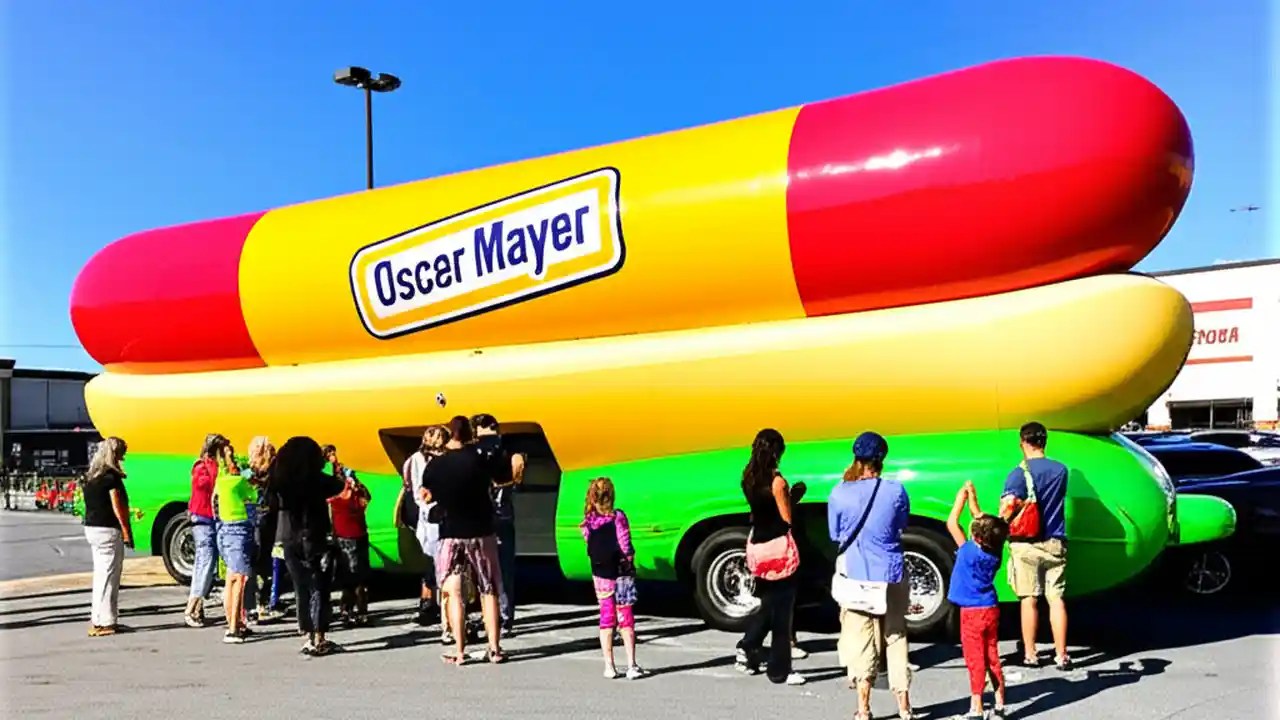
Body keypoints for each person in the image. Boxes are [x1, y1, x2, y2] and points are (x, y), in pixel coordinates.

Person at [829, 431, 915, 720]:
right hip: (890, 572)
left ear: (857, 458)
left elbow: (835, 534)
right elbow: (902, 524)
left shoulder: (840, 491)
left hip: (856, 575)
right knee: (896, 635)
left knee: (862, 640)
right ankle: (904, 706)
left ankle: (864, 708)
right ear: (881, 460)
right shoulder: (896, 490)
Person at [423, 415, 506, 665]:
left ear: (449, 433)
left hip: (451, 533)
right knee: (488, 589)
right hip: (481, 530)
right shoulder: (481, 458)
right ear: (471, 433)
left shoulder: (436, 466)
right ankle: (494, 648)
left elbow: (426, 496)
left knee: (454, 593)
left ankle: (460, 652)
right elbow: (502, 476)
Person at [735, 428, 806, 686]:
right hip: (778, 548)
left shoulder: (748, 477)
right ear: (777, 452)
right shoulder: (778, 482)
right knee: (782, 611)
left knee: (768, 604)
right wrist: (794, 495)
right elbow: (786, 519)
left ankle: (748, 647)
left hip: (757, 545)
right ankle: (780, 669)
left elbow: (761, 510)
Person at [999, 421, 1071, 670]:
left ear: (1022, 442)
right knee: (1056, 599)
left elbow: (1007, 509)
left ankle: (1031, 654)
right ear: (1044, 442)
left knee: (1029, 599)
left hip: (1026, 545)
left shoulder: (1018, 473)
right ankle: (1062, 655)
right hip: (1054, 541)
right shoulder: (1061, 470)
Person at [271, 436, 345, 656]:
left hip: (288, 538)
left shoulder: (281, 482)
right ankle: (320, 635)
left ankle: (306, 633)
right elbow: (339, 485)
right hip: (314, 536)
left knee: (300, 586)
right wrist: (335, 465)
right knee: (320, 588)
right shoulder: (317, 480)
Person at [946, 481, 1010, 719]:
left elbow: (952, 523)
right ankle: (1000, 700)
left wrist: (960, 497)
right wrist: (973, 495)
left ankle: (977, 706)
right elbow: (984, 522)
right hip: (990, 607)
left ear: (976, 537)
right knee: (992, 654)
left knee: (975, 659)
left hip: (971, 612)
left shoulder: (967, 551)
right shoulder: (996, 548)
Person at [580, 477, 646, 680]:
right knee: (625, 618)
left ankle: (609, 666)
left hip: (600, 574)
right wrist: (630, 559)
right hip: (621, 573)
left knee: (606, 619)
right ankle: (632, 665)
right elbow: (625, 545)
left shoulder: (587, 523)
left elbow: (588, 543)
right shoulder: (618, 517)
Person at [473, 414, 526, 638]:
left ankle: (493, 616)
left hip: (482, 515)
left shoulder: (475, 452)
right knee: (503, 569)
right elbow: (518, 475)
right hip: (503, 513)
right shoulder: (510, 449)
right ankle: (503, 618)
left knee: (484, 570)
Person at [396, 426, 449, 629]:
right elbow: (419, 490)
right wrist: (432, 506)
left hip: (430, 511)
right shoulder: (419, 459)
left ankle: (433, 602)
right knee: (432, 558)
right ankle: (428, 603)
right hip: (428, 513)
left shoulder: (422, 458)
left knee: (437, 558)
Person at [82, 437, 133, 636]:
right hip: (108, 529)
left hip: (92, 528)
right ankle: (105, 621)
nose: (124, 456)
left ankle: (100, 618)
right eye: (122, 453)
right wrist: (127, 531)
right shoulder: (111, 478)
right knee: (109, 576)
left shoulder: (90, 477)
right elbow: (117, 506)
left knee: (101, 574)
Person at [213, 440, 256, 643]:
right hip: (237, 528)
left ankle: (233, 621)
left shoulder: (221, 480)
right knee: (239, 578)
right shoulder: (236, 480)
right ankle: (233, 628)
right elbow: (252, 493)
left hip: (225, 527)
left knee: (231, 576)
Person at [184, 434, 227, 628]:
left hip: (208, 518)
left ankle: (197, 605)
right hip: (203, 518)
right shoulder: (202, 467)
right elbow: (206, 485)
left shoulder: (205, 466)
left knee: (206, 564)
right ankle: (192, 607)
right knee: (205, 562)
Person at [243, 437, 284, 624]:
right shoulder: (272, 473)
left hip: (253, 520)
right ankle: (261, 604)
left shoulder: (247, 473)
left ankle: (251, 606)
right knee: (264, 564)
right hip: (267, 521)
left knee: (253, 565)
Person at [328, 456, 372, 626]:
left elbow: (366, 498)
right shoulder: (341, 494)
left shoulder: (352, 493)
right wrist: (351, 484)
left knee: (356, 578)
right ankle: (352, 610)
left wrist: (356, 484)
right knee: (353, 578)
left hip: (355, 535)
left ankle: (355, 610)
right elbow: (344, 499)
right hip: (348, 537)